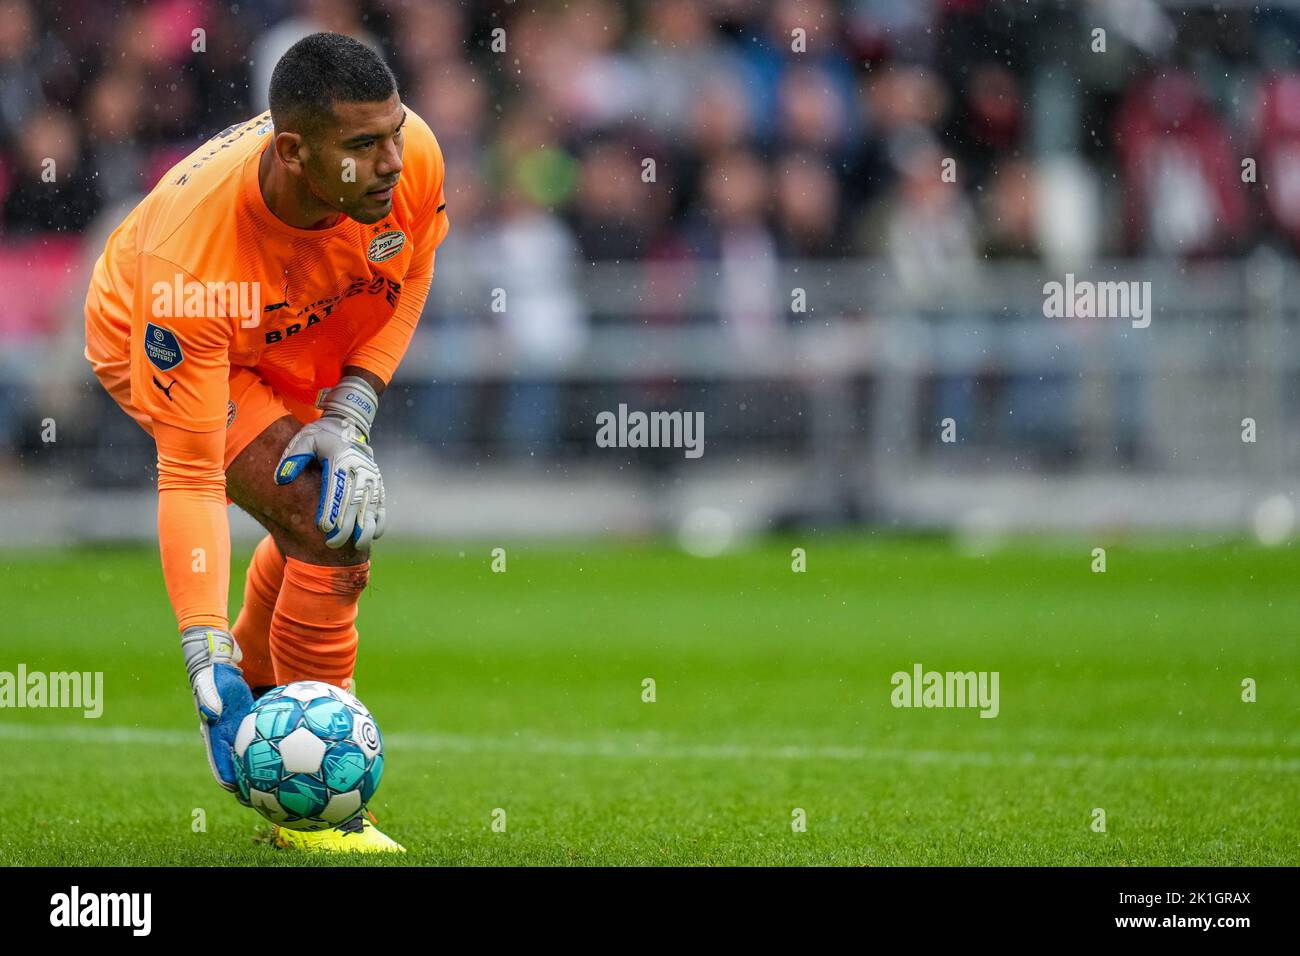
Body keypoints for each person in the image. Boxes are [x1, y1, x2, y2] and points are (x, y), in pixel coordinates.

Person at [82, 32, 450, 853]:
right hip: (168, 337)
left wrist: (352, 404)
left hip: (302, 331)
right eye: (364, 146)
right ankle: (318, 810)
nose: (391, 160)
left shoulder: (409, 156)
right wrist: (202, 653)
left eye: (393, 131)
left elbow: (415, 263)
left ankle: (265, 708)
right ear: (292, 150)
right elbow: (185, 479)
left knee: (320, 518)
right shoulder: (192, 260)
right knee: (330, 520)